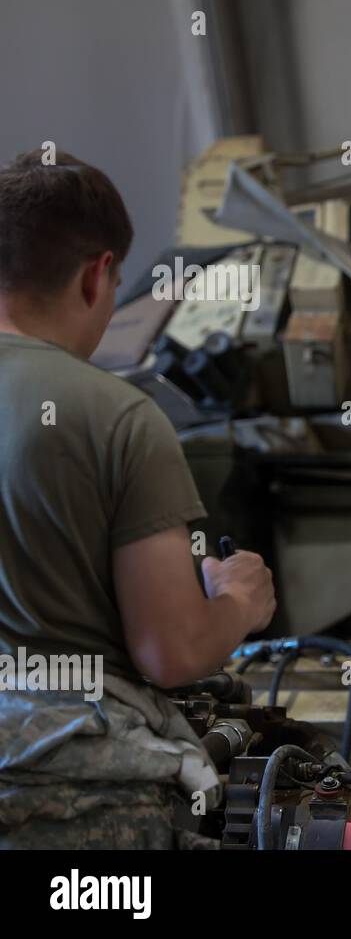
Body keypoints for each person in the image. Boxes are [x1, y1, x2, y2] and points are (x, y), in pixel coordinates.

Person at [0, 149, 276, 848]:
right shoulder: (117, 415)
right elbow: (171, 651)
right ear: (98, 276)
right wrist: (237, 601)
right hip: (75, 808)